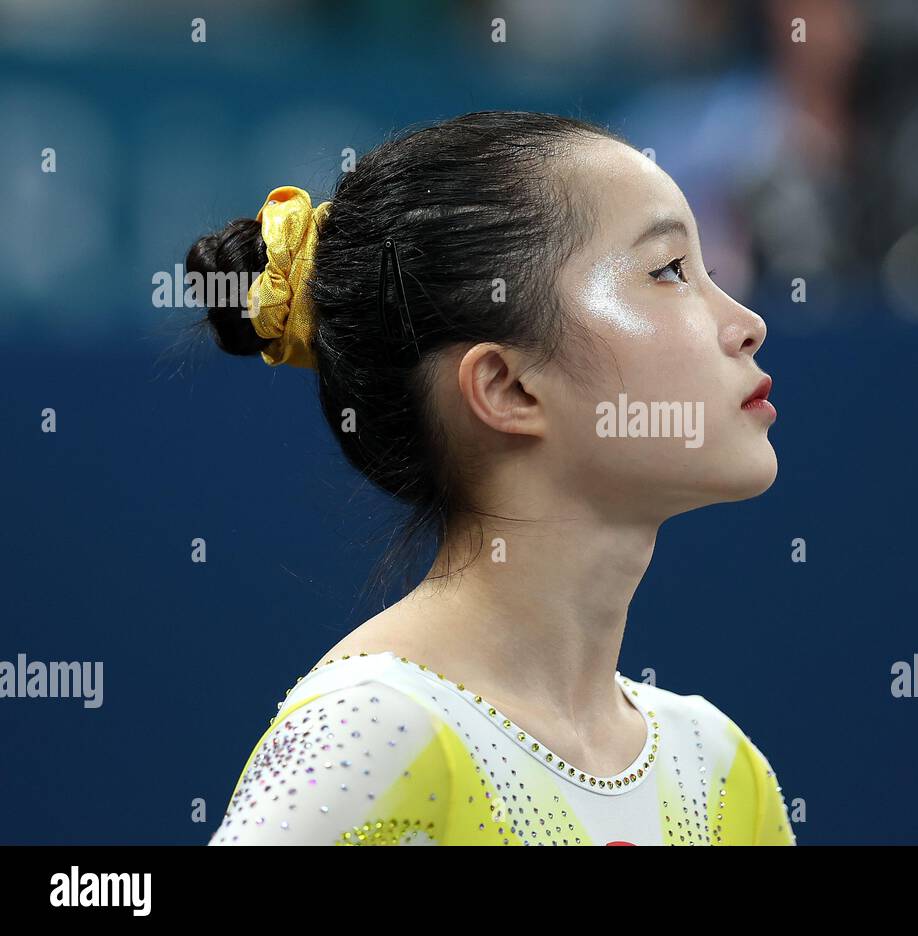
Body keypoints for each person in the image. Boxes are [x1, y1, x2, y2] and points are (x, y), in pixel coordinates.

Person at [193, 111, 793, 845]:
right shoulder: (373, 735)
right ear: (508, 388)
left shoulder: (718, 772)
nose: (747, 323)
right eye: (669, 271)